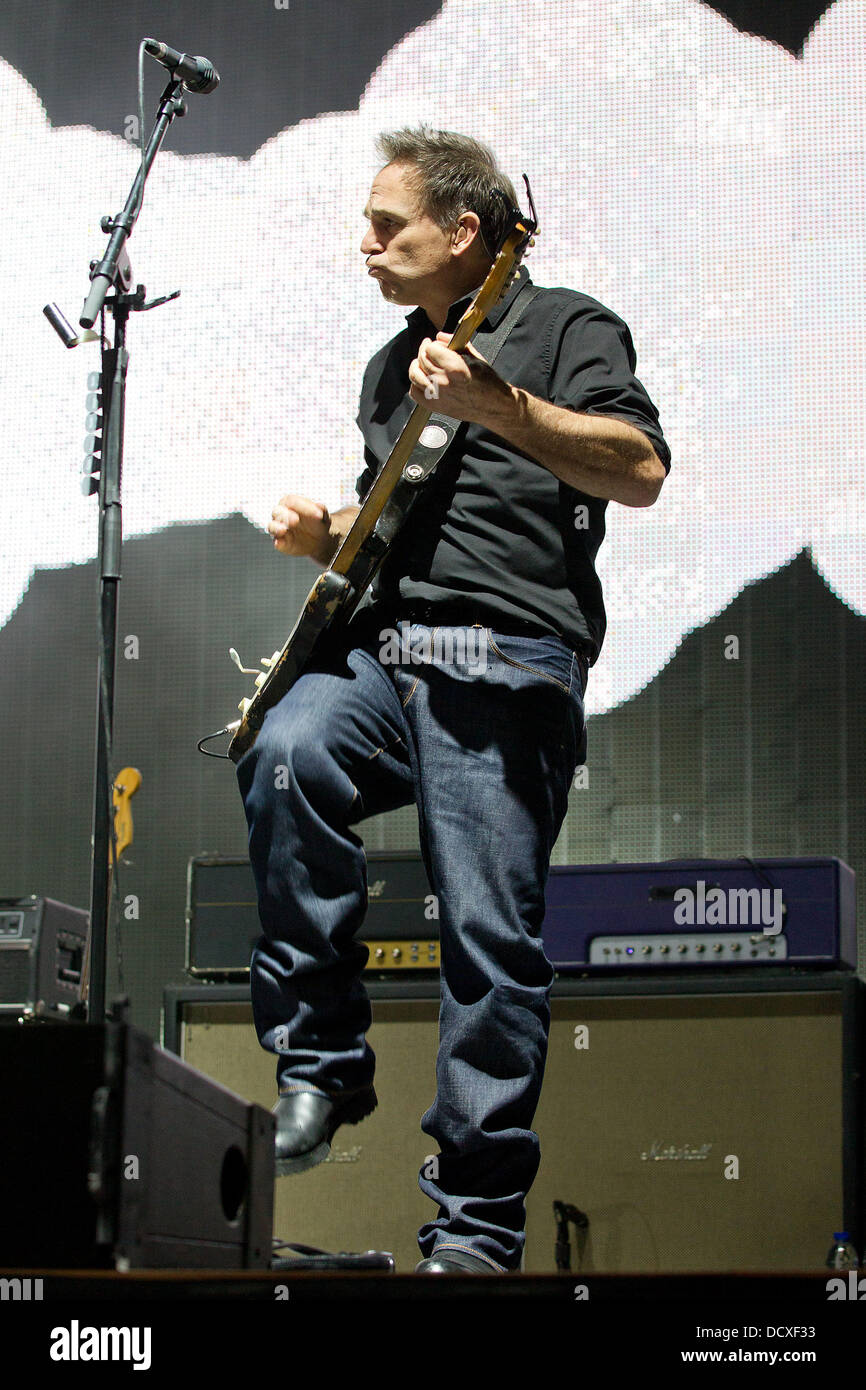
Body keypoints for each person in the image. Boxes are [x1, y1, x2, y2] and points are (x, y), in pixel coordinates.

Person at [236, 126, 670, 1274]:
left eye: (388, 225)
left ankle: (474, 1229)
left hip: (507, 657)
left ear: (462, 232)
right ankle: (320, 1066)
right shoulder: (389, 369)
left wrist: (502, 406)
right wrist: (324, 532)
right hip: (392, 653)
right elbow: (391, 532)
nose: (365, 244)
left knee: (487, 939)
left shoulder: (566, 325)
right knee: (287, 742)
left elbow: (638, 469)